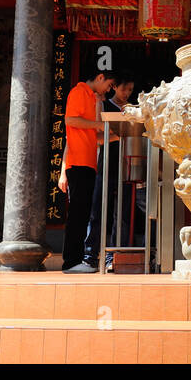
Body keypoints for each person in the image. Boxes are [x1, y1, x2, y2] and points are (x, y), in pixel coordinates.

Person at [58, 69, 114, 273]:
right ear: (100, 77)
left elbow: (96, 132)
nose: (108, 90)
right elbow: (71, 120)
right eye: (108, 85)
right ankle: (71, 261)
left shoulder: (91, 96)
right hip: (78, 162)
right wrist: (100, 124)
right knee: (77, 215)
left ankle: (76, 260)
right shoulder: (79, 91)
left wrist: (99, 103)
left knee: (82, 215)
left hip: (89, 162)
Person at [86, 73, 135, 270]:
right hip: (105, 164)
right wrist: (121, 134)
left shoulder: (132, 110)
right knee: (97, 210)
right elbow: (98, 136)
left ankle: (114, 256)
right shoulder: (105, 106)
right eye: (124, 89)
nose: (127, 93)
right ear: (114, 87)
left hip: (128, 165)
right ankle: (90, 254)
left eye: (130, 90)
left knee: (122, 214)